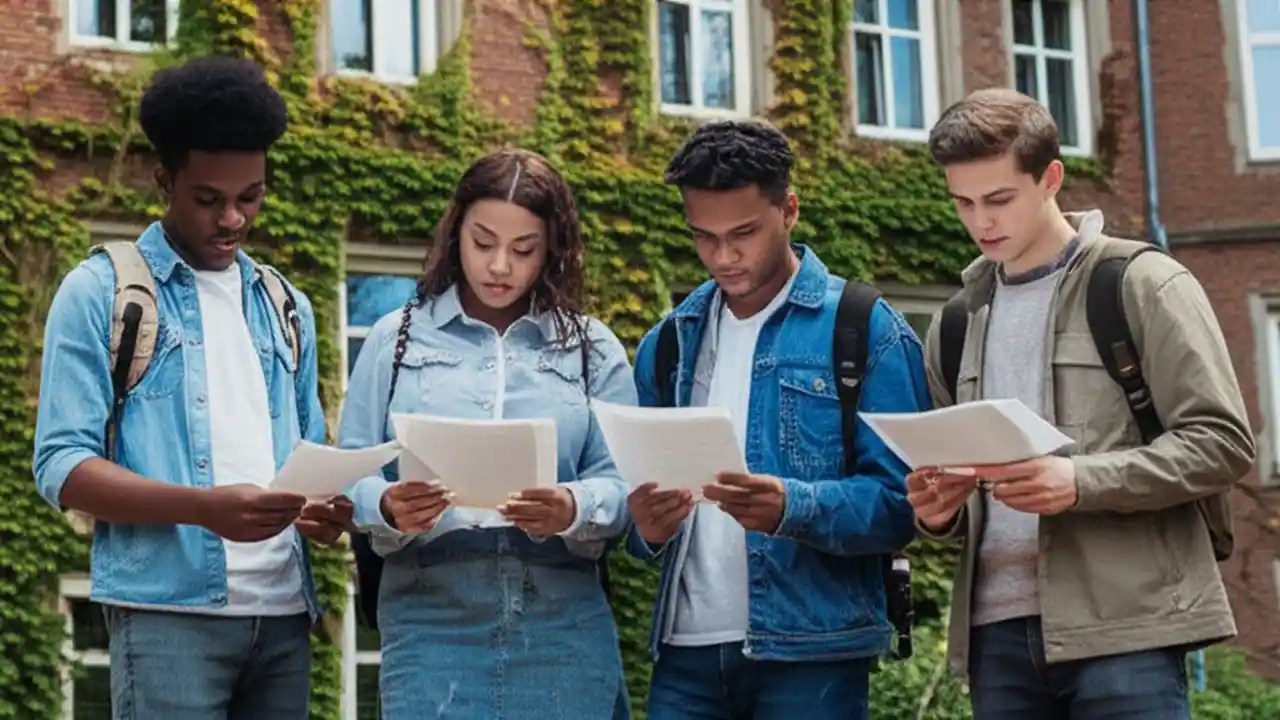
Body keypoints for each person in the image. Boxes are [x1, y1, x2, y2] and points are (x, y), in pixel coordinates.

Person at [910, 88, 1256, 719]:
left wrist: (1078, 481)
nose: (981, 221)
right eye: (963, 202)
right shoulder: (957, 322)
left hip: (1127, 632)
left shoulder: (1142, 283)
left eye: (999, 199)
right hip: (996, 640)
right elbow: (962, 494)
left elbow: (1222, 443)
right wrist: (939, 510)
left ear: (1051, 178)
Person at [31, 55, 351, 719]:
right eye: (208, 200)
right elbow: (60, 465)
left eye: (250, 197)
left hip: (284, 618)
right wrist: (202, 508)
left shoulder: (286, 305)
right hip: (166, 618)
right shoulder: (99, 292)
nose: (232, 218)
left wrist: (322, 511)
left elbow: (310, 456)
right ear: (164, 181)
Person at [625, 120, 928, 719]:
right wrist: (647, 528)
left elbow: (904, 504)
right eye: (704, 237)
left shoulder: (866, 328)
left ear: (789, 210)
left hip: (813, 656)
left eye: (743, 233)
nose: (723, 256)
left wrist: (794, 506)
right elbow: (634, 523)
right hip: (684, 655)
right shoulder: (668, 344)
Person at [339, 148, 636, 719]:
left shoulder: (592, 349)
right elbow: (351, 471)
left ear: (552, 249)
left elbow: (626, 484)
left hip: (562, 619)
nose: (500, 266)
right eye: (483, 242)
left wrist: (573, 505)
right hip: (429, 620)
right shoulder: (394, 339)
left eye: (524, 250)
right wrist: (389, 504)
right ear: (456, 234)